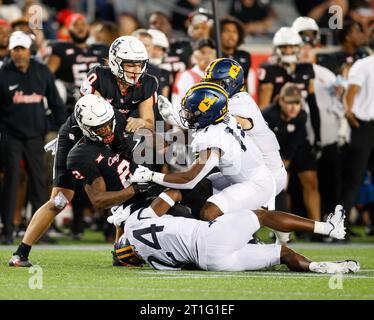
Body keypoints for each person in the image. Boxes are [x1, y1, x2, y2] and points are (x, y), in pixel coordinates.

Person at [9, 35, 157, 267]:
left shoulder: (147, 83)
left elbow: (149, 120)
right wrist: (70, 143)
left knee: (127, 188)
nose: (136, 69)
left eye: (139, 64)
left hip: (113, 137)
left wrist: (141, 122)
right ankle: (21, 252)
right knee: (59, 199)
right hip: (80, 136)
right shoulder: (99, 77)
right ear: (116, 62)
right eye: (130, 63)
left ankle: (120, 253)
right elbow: (93, 116)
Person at [109, 188, 358, 274]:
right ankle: (329, 227)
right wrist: (121, 224)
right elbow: (172, 194)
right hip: (209, 236)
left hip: (212, 262)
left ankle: (318, 266)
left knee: (281, 253)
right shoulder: (133, 223)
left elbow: (186, 265)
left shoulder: (154, 263)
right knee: (261, 215)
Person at [131, 82, 275, 222]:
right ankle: (144, 223)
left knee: (209, 212)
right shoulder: (221, 119)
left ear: (207, 115)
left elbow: (189, 179)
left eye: (191, 112)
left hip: (255, 184)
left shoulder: (215, 138)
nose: (187, 115)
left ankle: (248, 237)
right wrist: (169, 120)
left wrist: (151, 176)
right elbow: (187, 135)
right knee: (178, 191)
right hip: (237, 175)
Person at [0, 31, 67, 245]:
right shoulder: (3, 73)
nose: (19, 54)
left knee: (39, 183)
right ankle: (8, 230)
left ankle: (40, 231)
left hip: (36, 136)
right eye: (15, 50)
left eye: (22, 49)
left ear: (30, 51)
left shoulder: (42, 71)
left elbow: (55, 103)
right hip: (11, 136)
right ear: (10, 51)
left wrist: (61, 129)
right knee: (11, 182)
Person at [263, 83, 322, 228]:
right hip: (270, 152)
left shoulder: (302, 115)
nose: (293, 106)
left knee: (311, 182)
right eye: (289, 102)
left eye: (296, 102)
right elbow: (262, 142)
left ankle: (318, 228)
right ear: (280, 100)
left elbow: (296, 141)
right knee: (279, 188)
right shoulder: (267, 115)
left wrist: (287, 161)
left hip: (296, 147)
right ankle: (279, 228)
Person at [45, 13, 108, 113]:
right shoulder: (60, 48)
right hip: (71, 103)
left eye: (83, 24)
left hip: (99, 100)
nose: (80, 28)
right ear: (68, 29)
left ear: (88, 27)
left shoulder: (102, 49)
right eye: (76, 25)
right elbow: (45, 75)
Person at [340, 52, 374, 232]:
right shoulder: (363, 64)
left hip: (365, 126)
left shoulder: (363, 64)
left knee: (354, 179)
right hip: (363, 126)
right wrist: (349, 113)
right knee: (353, 178)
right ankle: (341, 225)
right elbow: (351, 91)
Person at [219, 16, 252, 82]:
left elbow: (244, 82)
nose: (231, 35)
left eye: (235, 32)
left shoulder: (245, 56)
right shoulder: (212, 54)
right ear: (218, 34)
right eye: (227, 31)